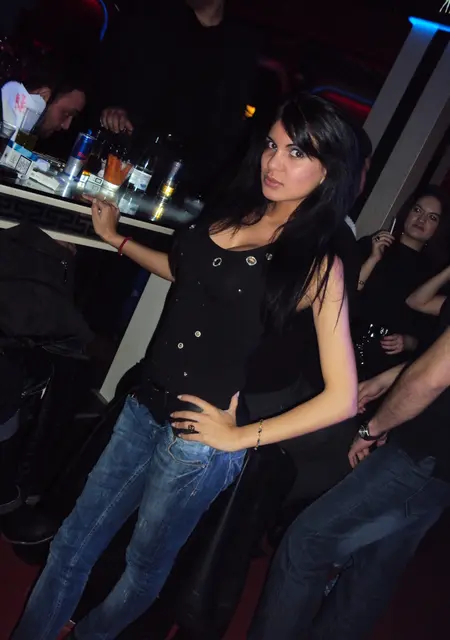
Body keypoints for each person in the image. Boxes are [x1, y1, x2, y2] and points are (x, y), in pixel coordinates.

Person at [12, 92, 361, 640]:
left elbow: (343, 397)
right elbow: (188, 272)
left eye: (297, 153)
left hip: (198, 442)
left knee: (142, 568)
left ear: (327, 170)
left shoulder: (318, 263)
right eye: (272, 146)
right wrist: (117, 240)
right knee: (73, 540)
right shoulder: (237, 209)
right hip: (143, 404)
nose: (274, 162)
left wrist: (240, 437)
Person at [249, 291, 450, 640]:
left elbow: (431, 377)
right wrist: (387, 379)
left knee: (306, 543)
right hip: (438, 466)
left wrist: (373, 428)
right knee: (373, 569)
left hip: (422, 451)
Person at [97, 0, 260, 192]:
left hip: (184, 178)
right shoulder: (150, 17)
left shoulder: (239, 46)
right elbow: (106, 72)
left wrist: (203, 175)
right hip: (126, 157)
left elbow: (231, 122)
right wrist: (113, 106)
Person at [354, 185, 450, 380]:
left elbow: (431, 334)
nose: (421, 219)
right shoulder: (375, 244)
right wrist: (373, 259)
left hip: (381, 368)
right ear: (407, 212)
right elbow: (344, 291)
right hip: (342, 342)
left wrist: (408, 342)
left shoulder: (435, 275)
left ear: (439, 228)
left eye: (432, 217)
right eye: (417, 210)